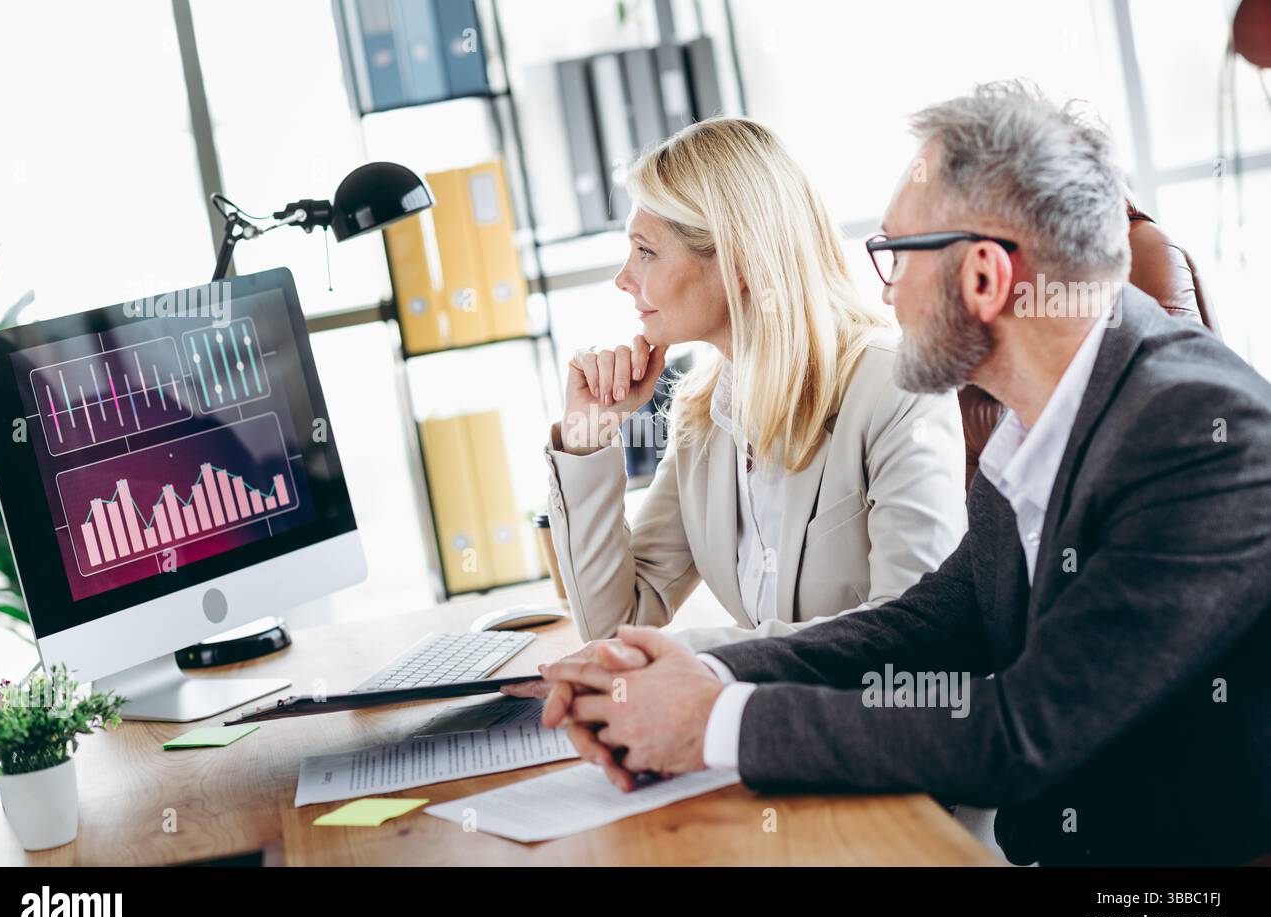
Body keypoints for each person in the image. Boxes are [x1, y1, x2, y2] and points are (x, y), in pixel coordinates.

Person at [531, 81, 1271, 866]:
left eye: (896, 255)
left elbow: (1022, 729)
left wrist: (713, 721)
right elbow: (927, 626)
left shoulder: (1197, 436)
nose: (883, 293)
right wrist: (698, 669)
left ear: (983, 278)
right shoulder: (1040, 423)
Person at [523, 117, 965, 664]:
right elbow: (615, 627)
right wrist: (587, 435)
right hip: (765, 733)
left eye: (646, 252)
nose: (623, 279)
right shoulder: (705, 419)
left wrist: (699, 662)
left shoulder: (895, 388)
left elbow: (916, 635)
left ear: (738, 262)